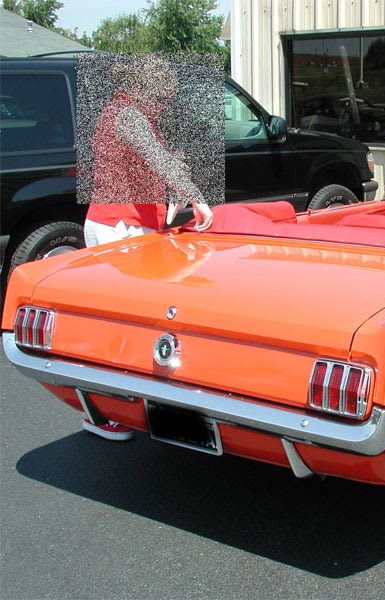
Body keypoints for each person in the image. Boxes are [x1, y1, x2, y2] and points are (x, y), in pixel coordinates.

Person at [82, 55, 214, 441]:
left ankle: (114, 406)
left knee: (119, 324)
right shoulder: (128, 116)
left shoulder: (123, 113)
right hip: (119, 230)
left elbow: (148, 163)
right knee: (123, 327)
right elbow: (157, 161)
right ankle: (105, 412)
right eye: (162, 98)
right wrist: (198, 199)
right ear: (146, 90)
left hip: (115, 225)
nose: (164, 105)